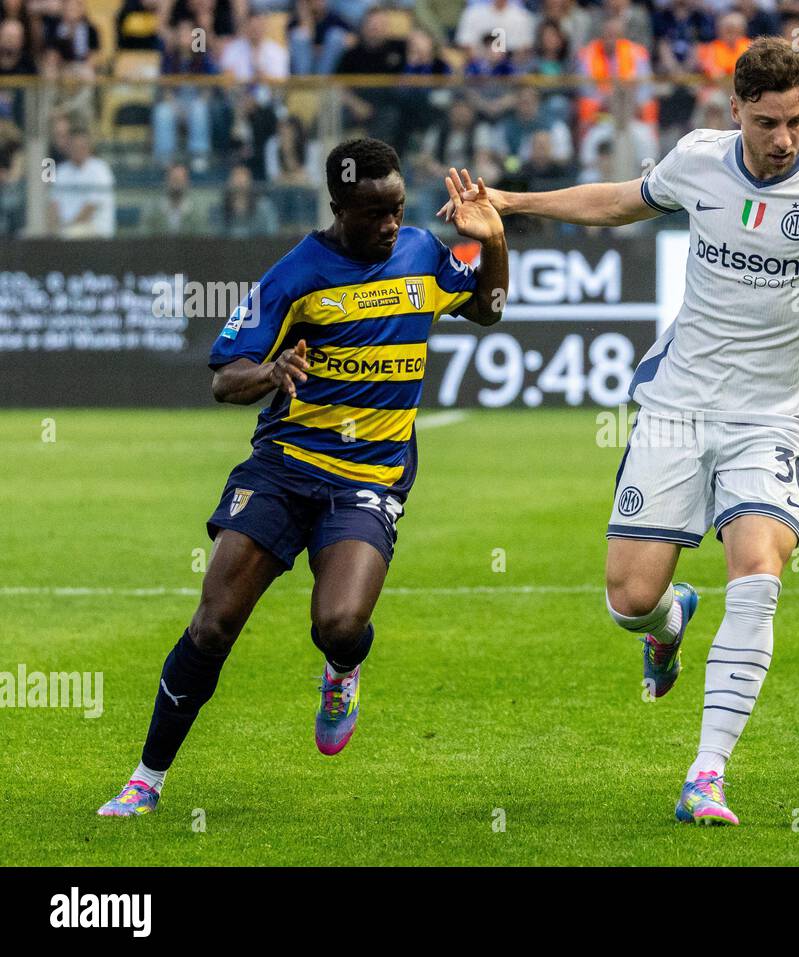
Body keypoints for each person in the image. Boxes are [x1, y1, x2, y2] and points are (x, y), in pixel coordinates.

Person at [439, 36, 799, 826]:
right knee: (629, 597)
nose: (783, 137)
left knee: (757, 569)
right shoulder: (697, 160)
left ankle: (705, 775)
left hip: (771, 418)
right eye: (766, 122)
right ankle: (669, 623)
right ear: (736, 112)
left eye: (796, 119)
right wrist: (510, 204)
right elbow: (619, 199)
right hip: (676, 406)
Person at [96, 138, 509, 818]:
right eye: (373, 213)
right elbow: (226, 378)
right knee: (213, 625)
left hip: (370, 475)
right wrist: (271, 371)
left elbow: (488, 307)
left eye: (398, 209)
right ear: (338, 207)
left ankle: (342, 671)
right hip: (285, 469)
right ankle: (146, 778)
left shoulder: (423, 255)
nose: (389, 226)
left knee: (341, 622)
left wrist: (492, 242)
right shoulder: (296, 274)